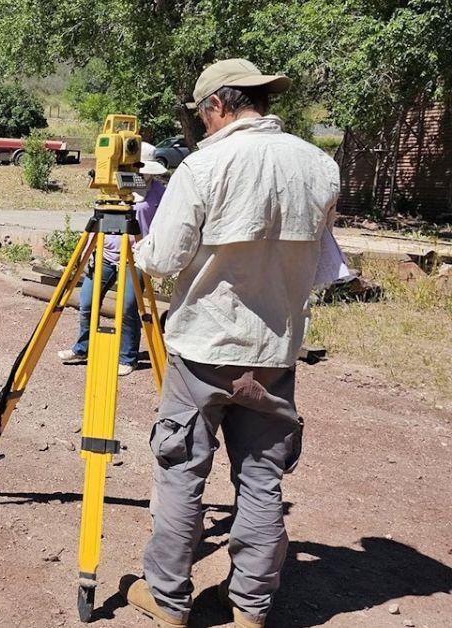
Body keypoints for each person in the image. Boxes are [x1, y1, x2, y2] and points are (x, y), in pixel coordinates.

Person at [124, 59, 340, 628]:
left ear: (217, 105)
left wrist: (138, 246)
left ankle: (167, 598)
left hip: (204, 348)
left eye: (203, 115)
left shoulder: (204, 165)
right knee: (262, 478)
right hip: (274, 353)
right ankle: (250, 606)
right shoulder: (320, 166)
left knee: (181, 470)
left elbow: (162, 259)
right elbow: (323, 261)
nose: (203, 125)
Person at [56, 142, 167, 376]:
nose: (140, 176)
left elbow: (164, 225)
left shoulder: (159, 192)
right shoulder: (113, 187)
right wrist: (86, 250)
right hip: (106, 255)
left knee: (127, 308)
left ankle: (128, 357)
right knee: (87, 303)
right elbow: (99, 217)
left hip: (136, 258)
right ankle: (83, 348)